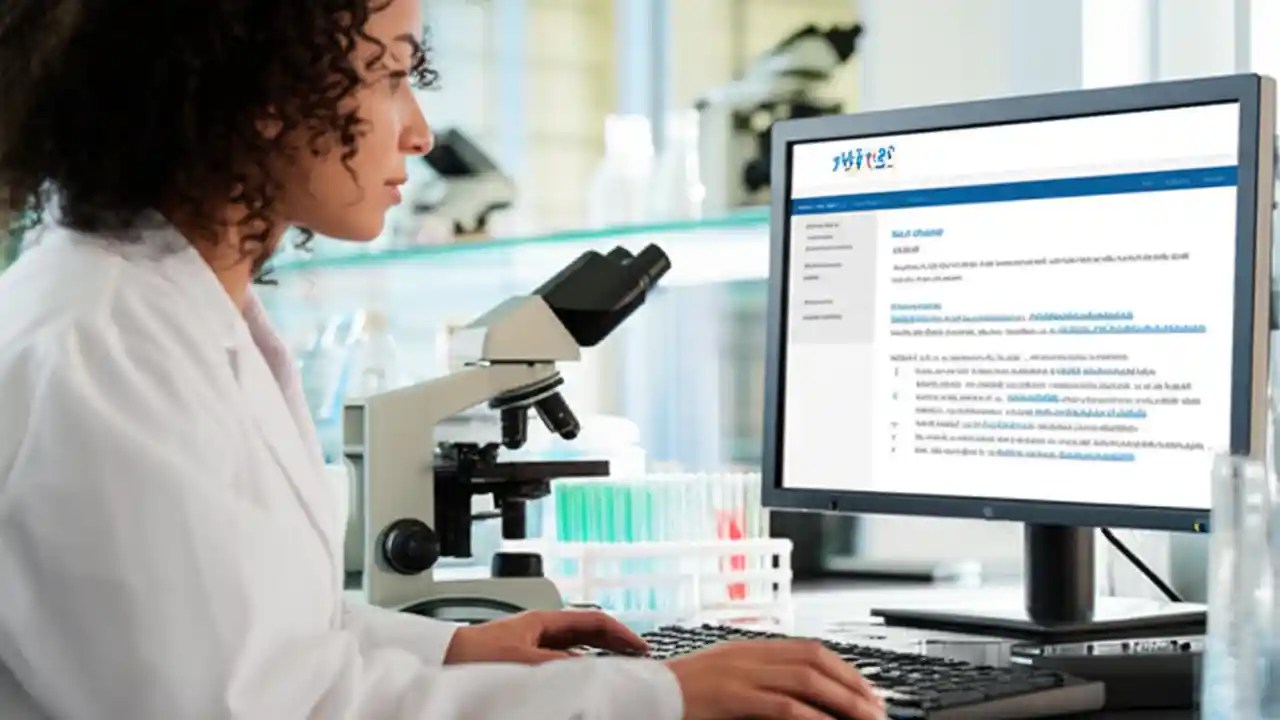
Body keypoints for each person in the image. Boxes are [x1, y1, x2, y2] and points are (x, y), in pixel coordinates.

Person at [0, 1, 886, 719]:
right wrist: (650, 700)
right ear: (260, 95)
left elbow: (247, 630)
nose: (419, 133)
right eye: (388, 75)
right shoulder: (100, 347)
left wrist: (453, 647)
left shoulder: (173, 310)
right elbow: (247, 706)